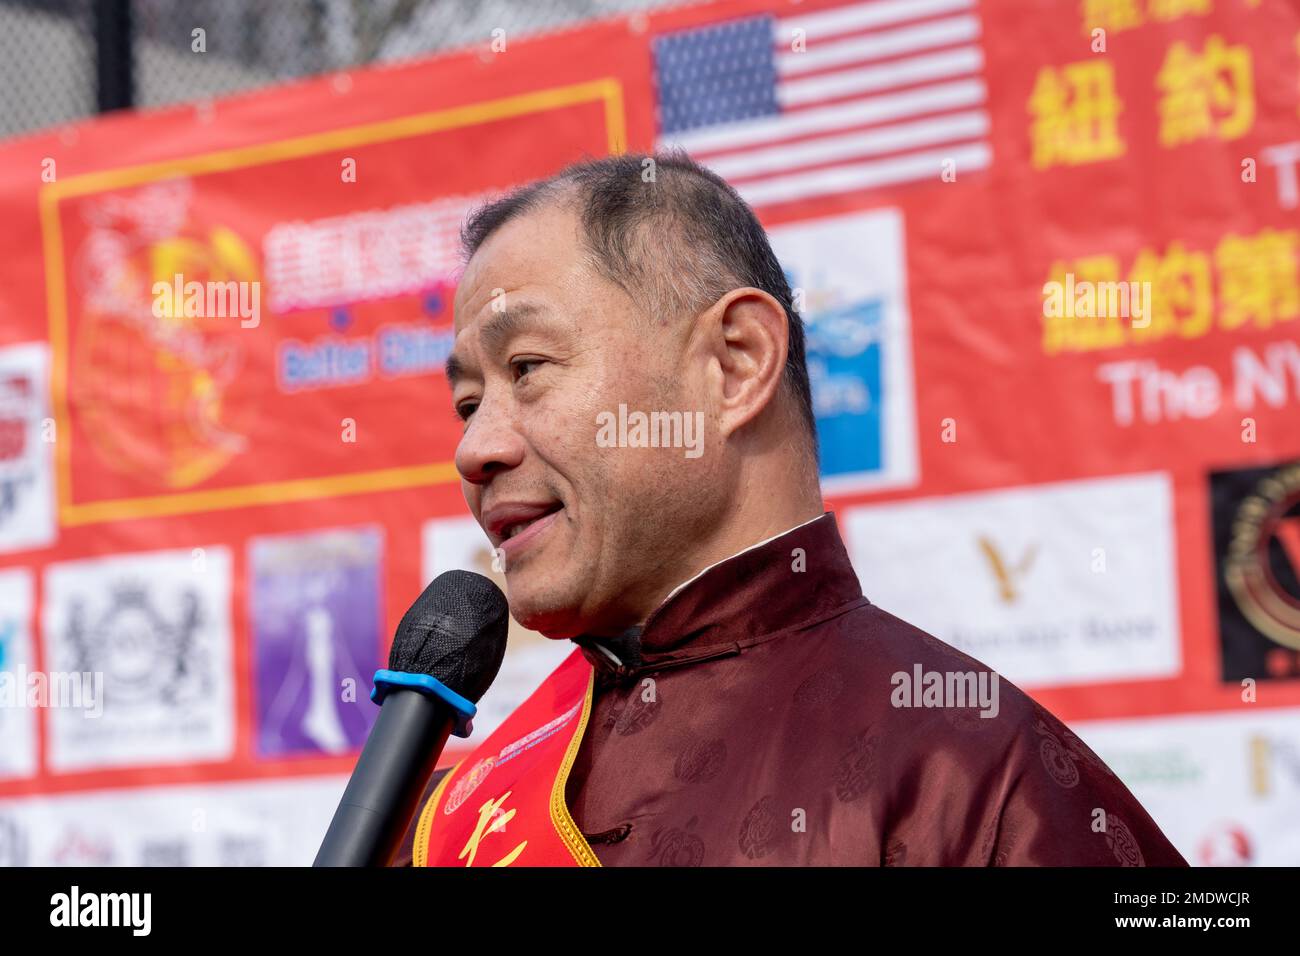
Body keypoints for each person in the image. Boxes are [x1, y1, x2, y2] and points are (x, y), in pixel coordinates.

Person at [393, 152, 1187, 867]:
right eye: (468, 403)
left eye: (527, 367)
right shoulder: (447, 820)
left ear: (736, 363)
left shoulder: (978, 786)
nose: (475, 450)